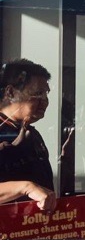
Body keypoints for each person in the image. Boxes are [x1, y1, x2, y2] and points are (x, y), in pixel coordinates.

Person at [0, 58, 56, 212]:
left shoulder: (32, 134)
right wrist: (26, 187)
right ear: (10, 92)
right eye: (37, 93)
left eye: (46, 94)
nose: (45, 101)